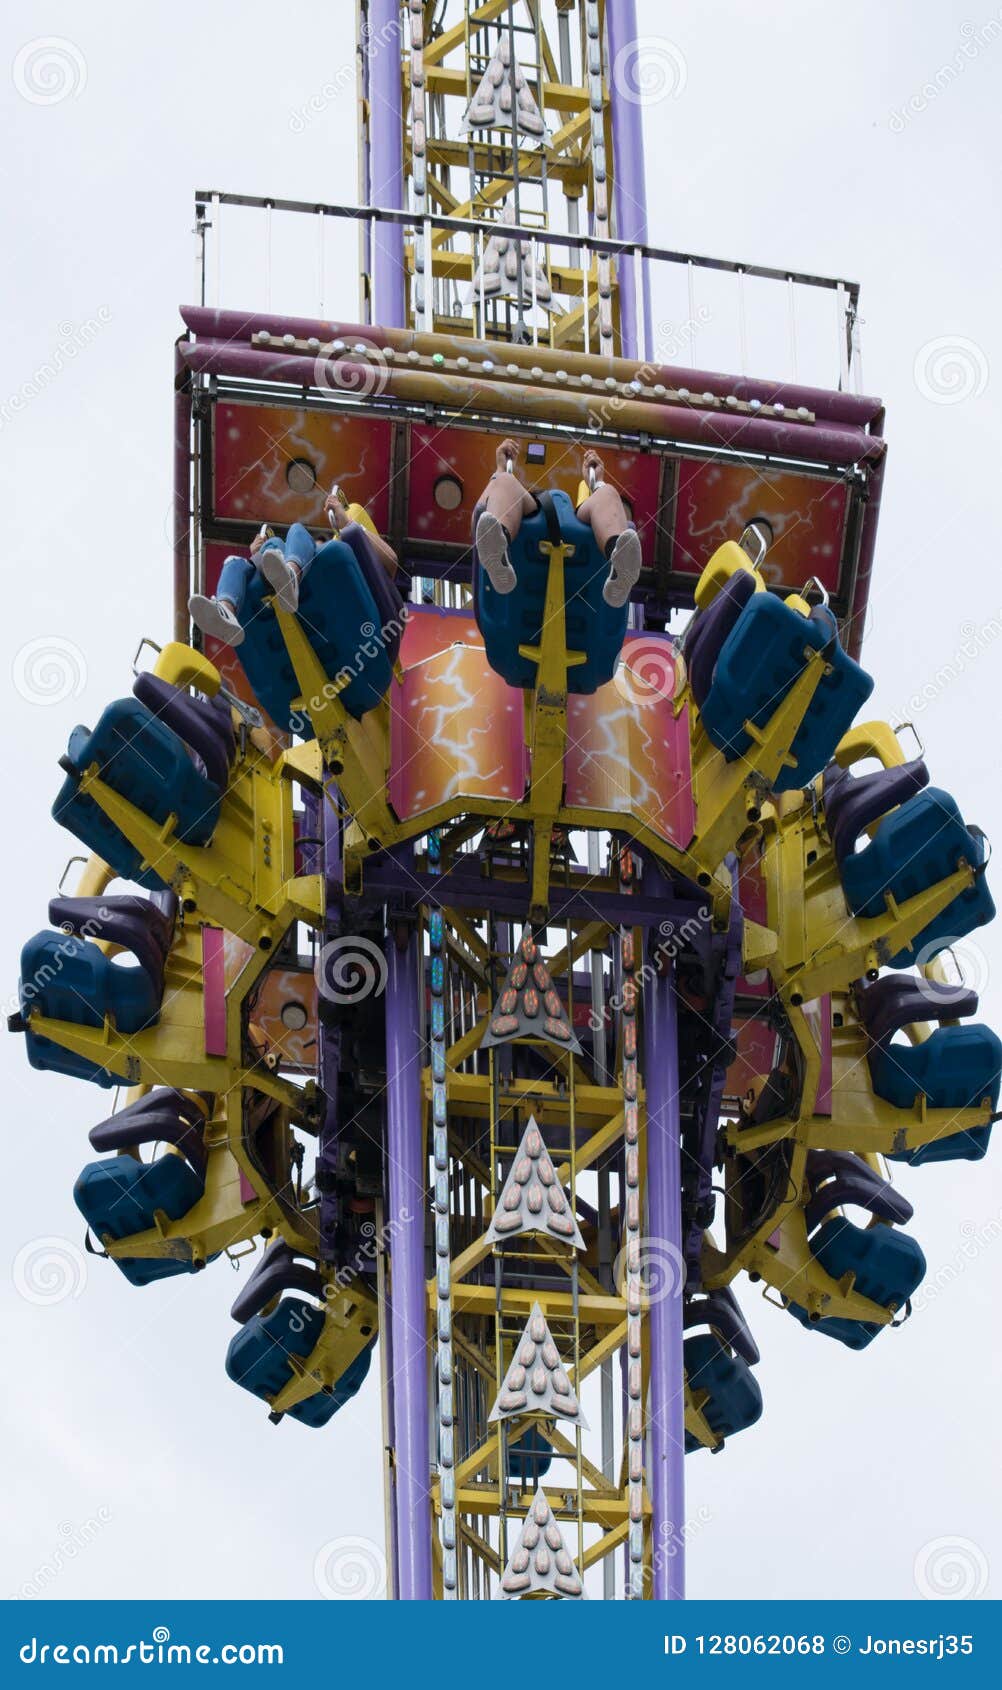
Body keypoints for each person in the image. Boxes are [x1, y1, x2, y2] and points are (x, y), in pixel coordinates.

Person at [189, 491, 398, 648]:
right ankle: (225, 610)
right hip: (299, 619)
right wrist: (256, 557)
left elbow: (391, 560)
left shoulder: (343, 563)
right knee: (234, 561)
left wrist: (347, 523)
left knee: (296, 530)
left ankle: (291, 575)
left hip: (345, 616)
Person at [474, 439, 642, 608]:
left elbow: (478, 512)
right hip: (522, 535)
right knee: (504, 482)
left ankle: (619, 566)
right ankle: (498, 554)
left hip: (572, 571)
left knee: (607, 492)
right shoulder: (517, 496)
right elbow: (480, 515)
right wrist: (501, 470)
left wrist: (597, 482)